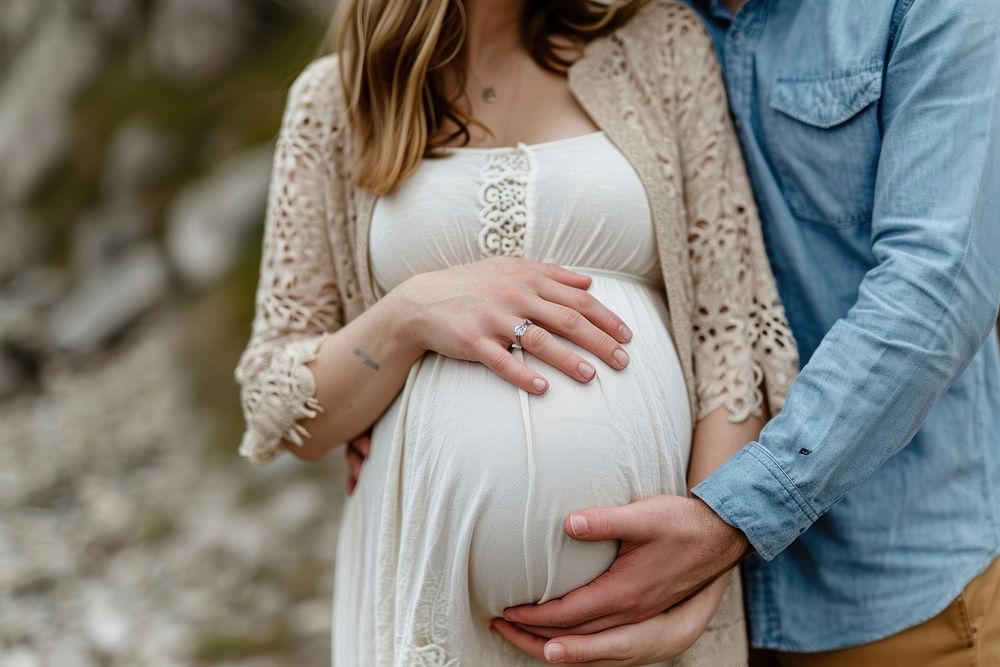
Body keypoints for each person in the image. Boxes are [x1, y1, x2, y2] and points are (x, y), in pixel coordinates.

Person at [232, 0, 800, 664]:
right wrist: (408, 313)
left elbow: (732, 337)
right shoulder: (336, 100)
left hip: (653, 620)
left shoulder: (660, 46)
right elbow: (278, 403)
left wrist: (700, 568)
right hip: (431, 604)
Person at [494, 0, 1000, 664]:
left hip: (892, 601)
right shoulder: (618, 14)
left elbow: (937, 285)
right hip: (663, 615)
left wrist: (729, 518)